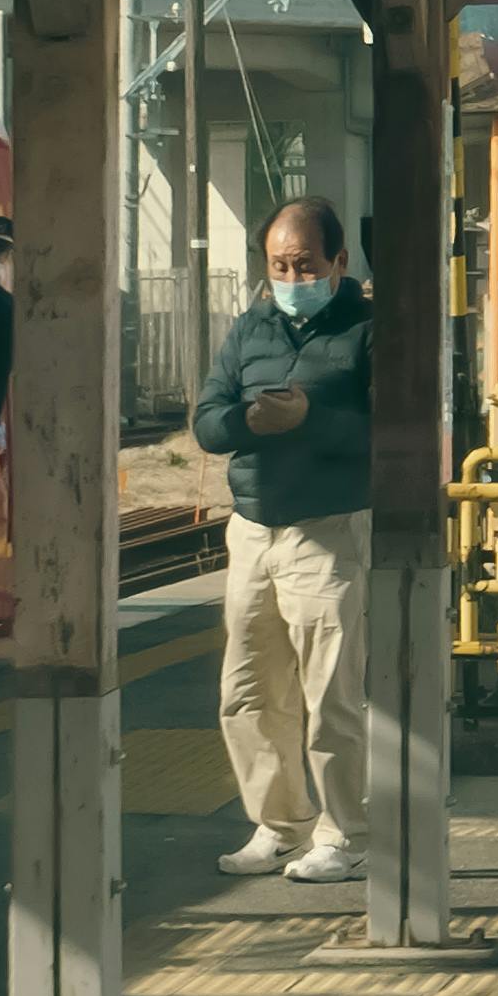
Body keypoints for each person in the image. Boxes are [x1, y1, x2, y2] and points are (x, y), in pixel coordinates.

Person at [192, 199, 375, 887]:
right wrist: (249, 421)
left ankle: (343, 834)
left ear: (337, 263)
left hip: (328, 531)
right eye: (279, 265)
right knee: (247, 691)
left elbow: (389, 432)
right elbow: (207, 422)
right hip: (253, 531)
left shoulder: (366, 329)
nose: (291, 275)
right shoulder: (250, 329)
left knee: (330, 694)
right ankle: (279, 822)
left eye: (304, 264)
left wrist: (311, 420)